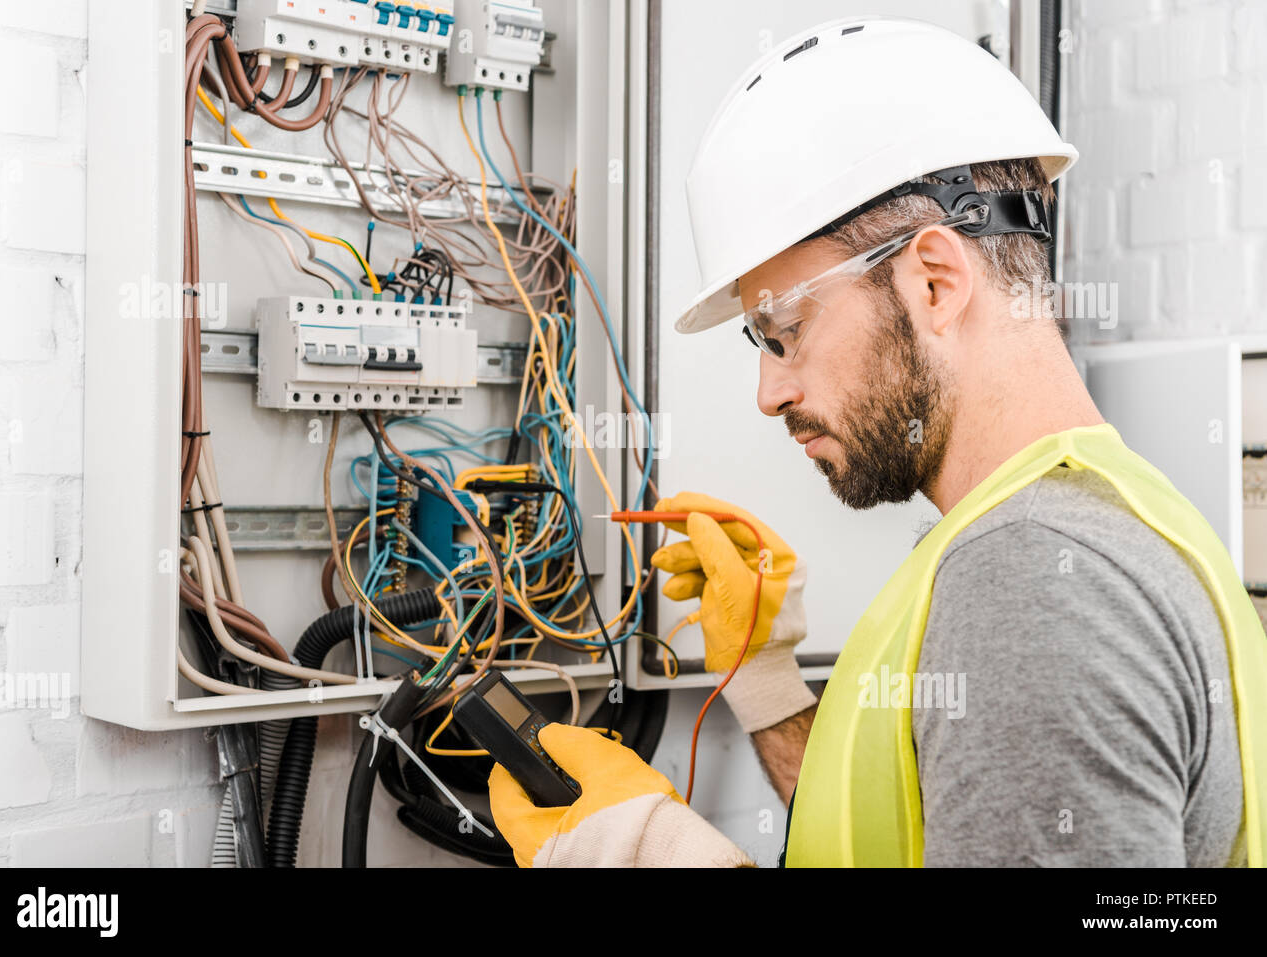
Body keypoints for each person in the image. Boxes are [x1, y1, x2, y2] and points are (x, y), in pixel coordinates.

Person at [486, 15, 1267, 867]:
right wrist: (767, 680)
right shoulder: (1108, 516)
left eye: (783, 332)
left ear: (935, 282)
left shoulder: (1032, 583)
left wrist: (639, 852)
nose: (768, 392)